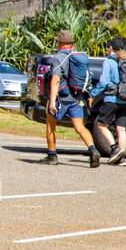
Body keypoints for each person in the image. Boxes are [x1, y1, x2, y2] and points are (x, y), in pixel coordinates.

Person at [43, 29, 100, 167]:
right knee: (80, 127)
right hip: (77, 97)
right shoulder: (79, 56)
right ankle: (93, 150)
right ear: (72, 43)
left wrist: (52, 102)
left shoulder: (58, 58)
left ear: (60, 42)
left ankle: (52, 156)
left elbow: (55, 80)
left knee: (50, 125)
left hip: (61, 98)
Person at [90, 37, 126, 165]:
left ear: (112, 48)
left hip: (111, 99)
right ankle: (121, 158)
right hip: (125, 100)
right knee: (121, 128)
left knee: (101, 125)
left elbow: (103, 82)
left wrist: (93, 93)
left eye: (108, 47)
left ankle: (115, 149)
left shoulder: (109, 62)